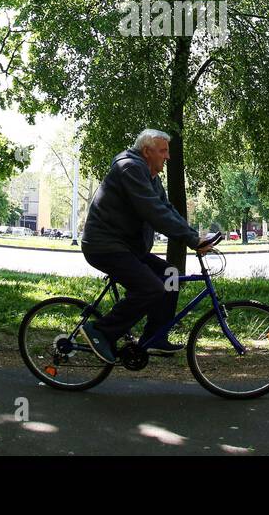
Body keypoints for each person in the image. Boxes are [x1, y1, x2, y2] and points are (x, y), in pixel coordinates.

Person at [78, 129, 213, 363]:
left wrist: (194, 236)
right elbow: (153, 210)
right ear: (147, 152)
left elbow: (166, 208)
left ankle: (155, 336)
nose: (167, 157)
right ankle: (100, 331)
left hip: (128, 248)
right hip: (105, 246)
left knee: (170, 275)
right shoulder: (130, 168)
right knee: (151, 288)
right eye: (163, 151)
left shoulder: (150, 175)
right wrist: (191, 240)